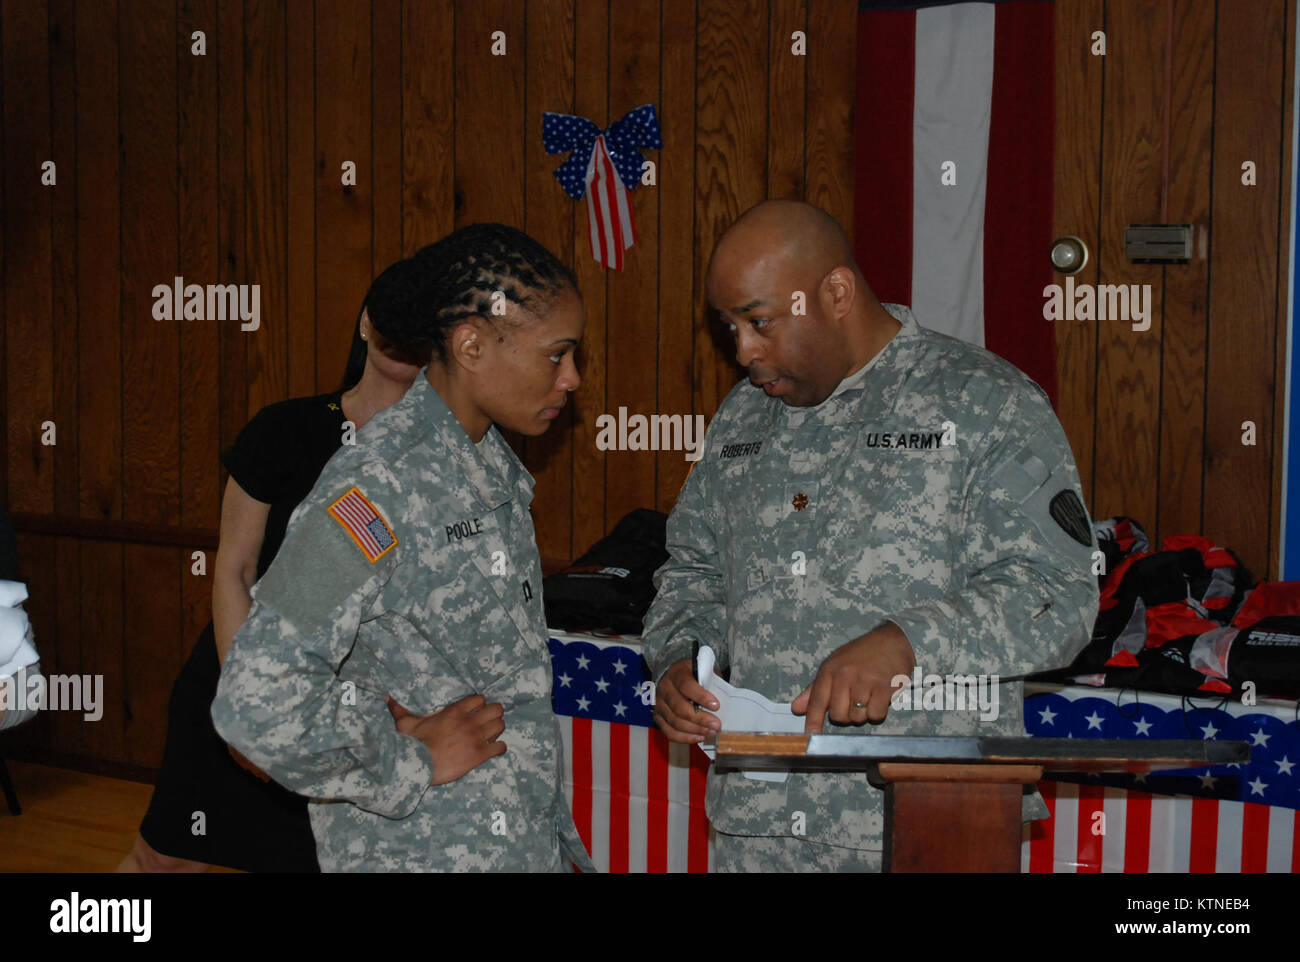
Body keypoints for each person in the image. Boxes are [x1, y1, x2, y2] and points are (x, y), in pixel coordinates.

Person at [642, 200, 1100, 872]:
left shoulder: (981, 402)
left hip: (926, 827)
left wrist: (909, 643)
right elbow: (694, 571)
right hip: (760, 833)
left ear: (835, 293)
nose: (743, 351)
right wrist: (681, 658)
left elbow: (1059, 596)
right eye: (729, 326)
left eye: (760, 322)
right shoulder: (744, 419)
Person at [212, 223, 596, 872]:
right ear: (471, 346)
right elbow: (256, 698)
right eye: (555, 355)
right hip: (417, 850)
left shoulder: (492, 469)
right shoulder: (375, 487)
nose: (573, 379)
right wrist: (405, 755)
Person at [118, 277, 429, 873]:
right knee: (167, 859)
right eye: (392, 317)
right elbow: (233, 568)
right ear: (365, 322)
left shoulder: (439, 461)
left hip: (355, 710)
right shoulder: (285, 429)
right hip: (241, 673)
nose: (403, 337)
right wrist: (247, 701)